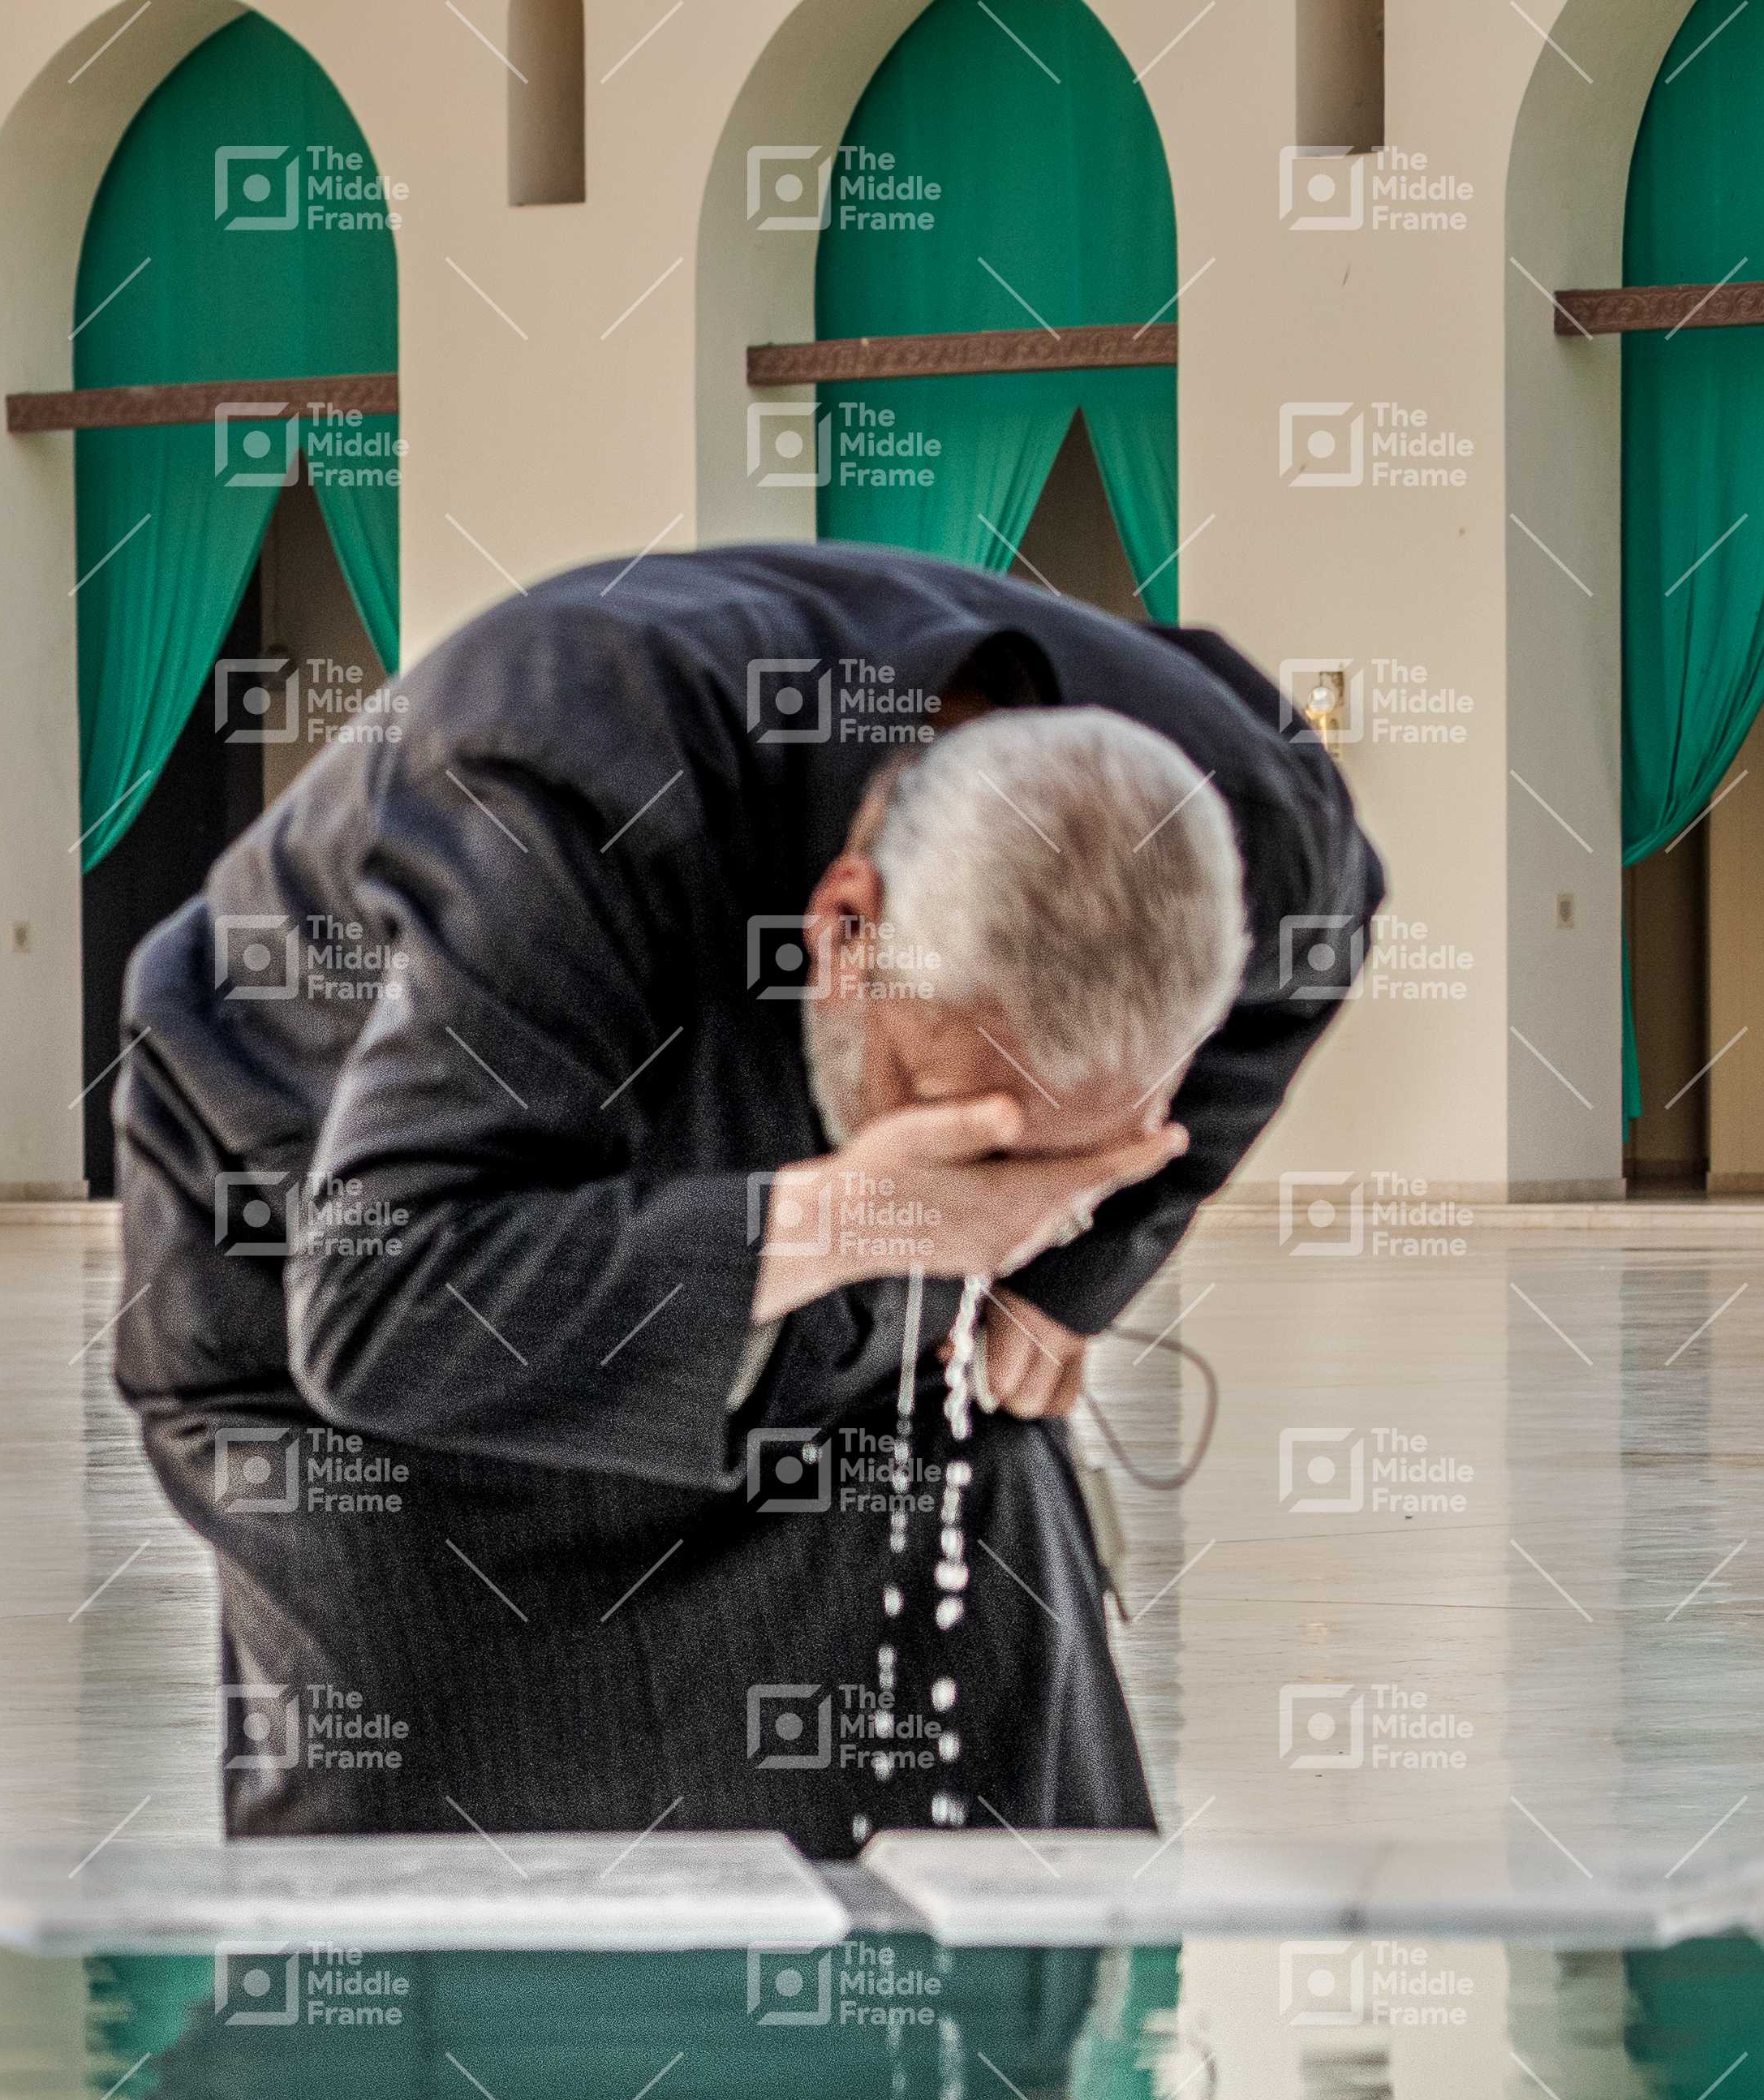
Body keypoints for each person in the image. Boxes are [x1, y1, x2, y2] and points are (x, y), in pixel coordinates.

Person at [112, 543, 1380, 1855]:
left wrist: (1064, 1277)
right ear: (842, 925)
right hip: (334, 1237)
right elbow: (386, 1314)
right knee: (435, 1846)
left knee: (990, 1779)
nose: (984, 1196)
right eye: (957, 1131)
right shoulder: (557, 782)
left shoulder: (1250, 819)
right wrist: (844, 1219)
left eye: (1042, 1157)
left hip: (763, 1182)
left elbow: (1315, 958)